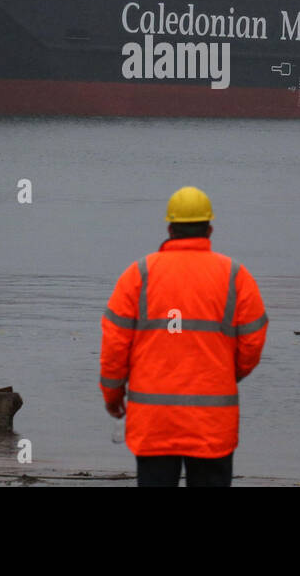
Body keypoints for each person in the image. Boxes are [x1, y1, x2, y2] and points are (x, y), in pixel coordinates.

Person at [99, 187, 268, 486]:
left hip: (154, 423)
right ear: (210, 228)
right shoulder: (234, 276)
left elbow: (114, 346)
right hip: (212, 424)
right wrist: (228, 374)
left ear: (169, 227)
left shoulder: (139, 275)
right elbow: (252, 342)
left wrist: (113, 395)